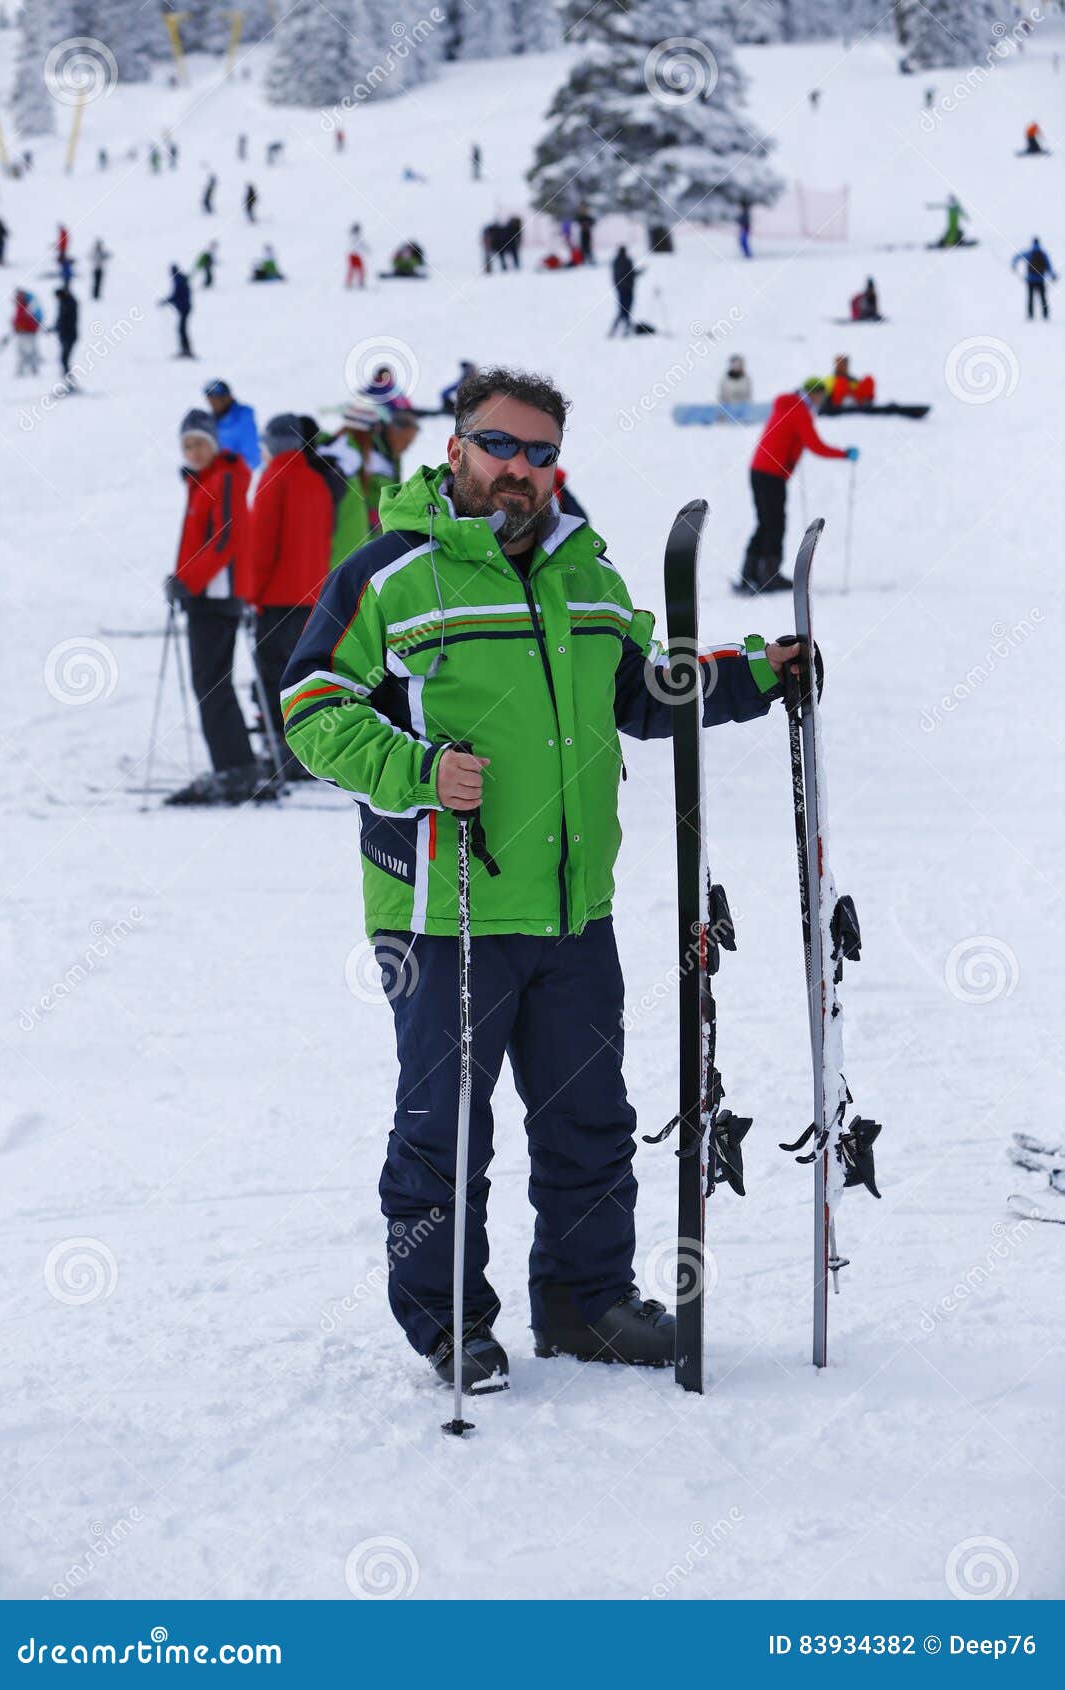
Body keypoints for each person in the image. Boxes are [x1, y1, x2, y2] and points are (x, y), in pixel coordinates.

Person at [279, 364, 800, 1391]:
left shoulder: (587, 574)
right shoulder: (391, 574)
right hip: (443, 910)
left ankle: (585, 1302)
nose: (518, 469)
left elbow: (648, 692)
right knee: (443, 1131)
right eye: (499, 445)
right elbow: (310, 706)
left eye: (539, 452)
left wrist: (754, 672)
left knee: (588, 1119)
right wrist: (418, 771)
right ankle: (447, 1322)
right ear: (455, 447)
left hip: (572, 911)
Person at [164, 411, 263, 807]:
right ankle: (236, 765)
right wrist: (181, 578)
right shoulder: (204, 481)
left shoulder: (221, 480)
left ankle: (235, 768)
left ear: (215, 443)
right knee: (211, 682)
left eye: (200, 443)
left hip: (215, 597)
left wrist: (189, 580)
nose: (194, 452)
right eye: (187, 446)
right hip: (205, 595)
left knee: (211, 683)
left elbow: (224, 541)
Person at [248, 414, 334, 776]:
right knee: (301, 678)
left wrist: (251, 594)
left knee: (272, 676)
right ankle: (307, 750)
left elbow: (261, 544)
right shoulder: (317, 482)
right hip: (312, 597)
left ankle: (280, 751)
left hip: (277, 598)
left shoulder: (274, 478)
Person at [739, 380, 856, 593]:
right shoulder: (800, 412)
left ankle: (749, 573)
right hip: (771, 475)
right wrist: (844, 454)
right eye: (822, 395)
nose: (824, 400)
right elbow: (816, 446)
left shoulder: (788, 406)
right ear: (815, 394)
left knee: (765, 523)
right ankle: (767, 576)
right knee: (774, 523)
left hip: (759, 471)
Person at [317, 397, 419, 567]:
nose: (407, 447)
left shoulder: (357, 458)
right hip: (344, 553)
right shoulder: (351, 461)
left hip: (354, 551)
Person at [203, 379, 261, 470]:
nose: (212, 404)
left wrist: (233, 467)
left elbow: (253, 458)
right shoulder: (210, 421)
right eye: (210, 399)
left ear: (227, 397)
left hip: (239, 477)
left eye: (216, 399)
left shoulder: (243, 419)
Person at [1012, 237, 1057, 319]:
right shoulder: (1043, 253)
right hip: (1041, 280)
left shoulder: (1029, 252)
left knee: (1030, 298)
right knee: (1043, 298)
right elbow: (1049, 267)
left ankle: (1030, 315)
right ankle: (1045, 315)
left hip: (1030, 280)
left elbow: (1017, 257)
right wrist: (1053, 275)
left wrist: (1014, 265)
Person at [159, 263, 194, 358]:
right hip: (185, 307)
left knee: (181, 329)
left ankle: (186, 350)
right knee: (182, 329)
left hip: (184, 308)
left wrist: (165, 301)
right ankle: (186, 350)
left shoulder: (178, 280)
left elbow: (176, 295)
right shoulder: (181, 278)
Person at [608, 245, 640, 338]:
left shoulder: (617, 262)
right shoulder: (623, 261)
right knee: (625, 310)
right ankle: (620, 329)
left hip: (623, 289)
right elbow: (630, 274)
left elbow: (630, 273)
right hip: (626, 289)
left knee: (624, 310)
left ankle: (618, 329)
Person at [10, 288, 42, 375]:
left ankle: (28, 369)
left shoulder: (24, 306)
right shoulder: (23, 306)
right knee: (26, 350)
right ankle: (31, 369)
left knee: (25, 351)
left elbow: (23, 319)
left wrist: (17, 326)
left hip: (27, 332)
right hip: (27, 331)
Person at [51, 285, 78, 387]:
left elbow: (64, 320)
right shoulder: (65, 304)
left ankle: (70, 383)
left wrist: (56, 327)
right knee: (64, 359)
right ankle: (68, 382)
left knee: (64, 359)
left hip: (69, 335)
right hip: (65, 335)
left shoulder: (69, 304)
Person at [346, 222, 369, 288]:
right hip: (353, 255)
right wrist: (365, 248)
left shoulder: (355, 236)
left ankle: (359, 283)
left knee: (359, 269)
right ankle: (350, 283)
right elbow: (359, 245)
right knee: (354, 269)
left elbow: (361, 244)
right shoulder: (354, 236)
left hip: (355, 255)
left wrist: (366, 248)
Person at [89, 237, 111, 301]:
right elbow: (91, 257)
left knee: (99, 283)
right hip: (96, 269)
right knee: (95, 283)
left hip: (100, 269)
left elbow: (107, 256)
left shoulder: (101, 252)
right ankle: (95, 295)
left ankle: (97, 295)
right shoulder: (95, 252)